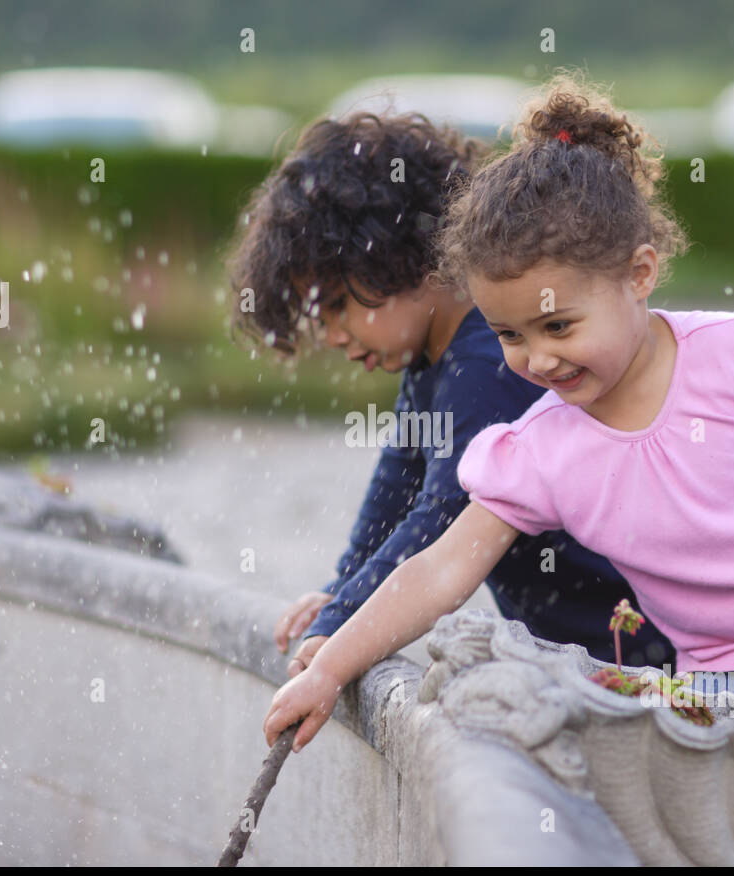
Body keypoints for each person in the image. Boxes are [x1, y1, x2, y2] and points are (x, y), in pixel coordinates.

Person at [262, 75, 734, 868]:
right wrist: (331, 667)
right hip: (716, 683)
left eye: (559, 324)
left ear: (640, 273)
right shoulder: (540, 448)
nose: (537, 358)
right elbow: (437, 570)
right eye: (509, 334)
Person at [226, 110, 675, 678]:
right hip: (602, 659)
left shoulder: (490, 367)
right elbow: (393, 501)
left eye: (339, 304)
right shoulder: (432, 366)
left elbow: (438, 520)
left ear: (404, 257)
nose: (332, 335)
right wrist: (341, 595)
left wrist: (339, 627)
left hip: (651, 653)